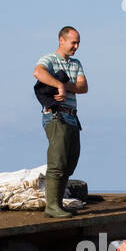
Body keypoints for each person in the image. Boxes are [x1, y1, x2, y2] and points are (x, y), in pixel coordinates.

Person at [33, 27, 88, 218]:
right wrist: (58, 84)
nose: (76, 46)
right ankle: (52, 206)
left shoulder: (76, 63)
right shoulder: (50, 59)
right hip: (56, 115)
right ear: (61, 41)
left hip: (72, 116)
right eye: (73, 42)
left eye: (78, 42)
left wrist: (64, 86)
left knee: (70, 161)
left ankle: (57, 205)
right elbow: (38, 72)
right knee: (58, 161)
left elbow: (83, 86)